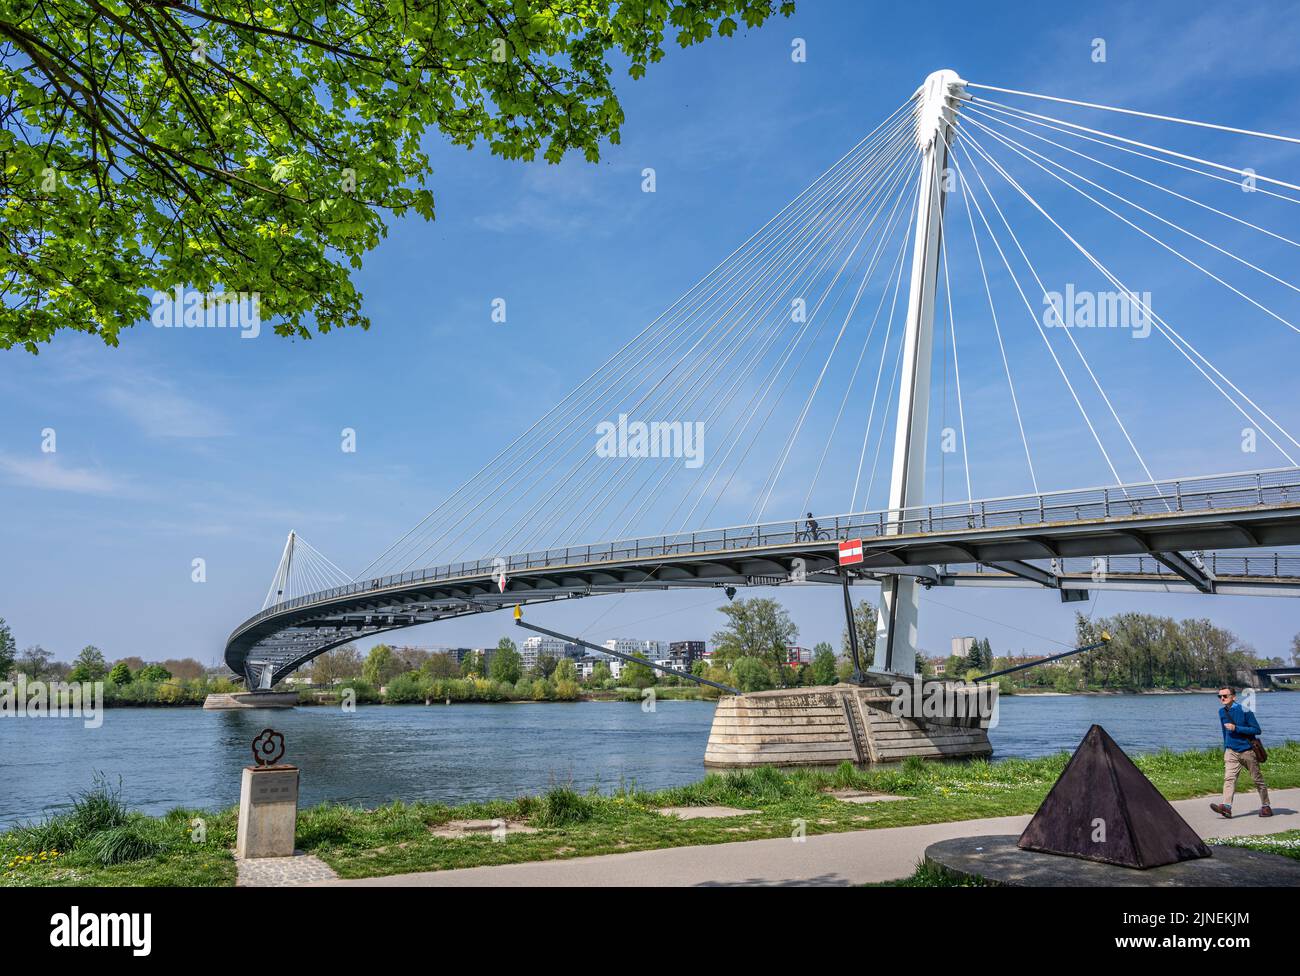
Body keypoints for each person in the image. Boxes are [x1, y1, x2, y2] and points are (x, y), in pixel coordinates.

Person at [1209, 686, 1271, 819]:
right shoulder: (1221, 712)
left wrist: (1236, 728)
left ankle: (1266, 806)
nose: (1222, 698)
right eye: (1220, 696)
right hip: (1231, 751)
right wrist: (1226, 747)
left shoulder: (1245, 710)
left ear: (1233, 697)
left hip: (1247, 751)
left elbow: (1256, 730)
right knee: (1229, 779)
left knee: (1257, 779)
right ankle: (1226, 807)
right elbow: (1224, 732)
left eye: (1225, 696)